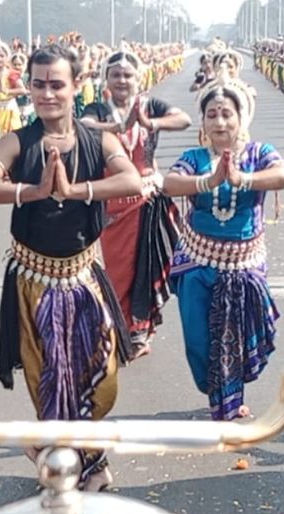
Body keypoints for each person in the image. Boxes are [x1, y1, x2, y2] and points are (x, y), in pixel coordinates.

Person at [0, 44, 142, 491]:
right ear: (29, 86)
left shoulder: (98, 140)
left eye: (57, 84)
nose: (47, 94)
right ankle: (84, 466)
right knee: (49, 381)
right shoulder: (17, 142)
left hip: (83, 278)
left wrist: (77, 189)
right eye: (39, 84)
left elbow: (131, 181)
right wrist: (32, 192)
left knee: (103, 382)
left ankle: (56, 449)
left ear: (76, 87)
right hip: (33, 282)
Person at [161, 79, 284, 421]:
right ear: (203, 121)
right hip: (197, 260)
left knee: (235, 336)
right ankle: (217, 391)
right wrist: (209, 181)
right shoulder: (193, 158)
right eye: (212, 114)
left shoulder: (259, 154)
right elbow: (170, 184)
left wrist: (242, 180)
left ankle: (229, 400)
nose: (220, 122)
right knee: (199, 342)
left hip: (243, 264)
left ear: (241, 118)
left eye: (227, 114)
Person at [80, 50, 192, 359]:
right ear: (106, 79)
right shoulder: (99, 109)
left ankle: (139, 331)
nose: (122, 80)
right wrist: (115, 129)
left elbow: (184, 119)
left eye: (128, 75)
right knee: (115, 270)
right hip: (110, 201)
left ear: (138, 78)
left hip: (145, 198)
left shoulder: (149, 105)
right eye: (115, 74)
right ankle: (115, 326)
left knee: (143, 267)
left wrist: (148, 122)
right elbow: (83, 125)